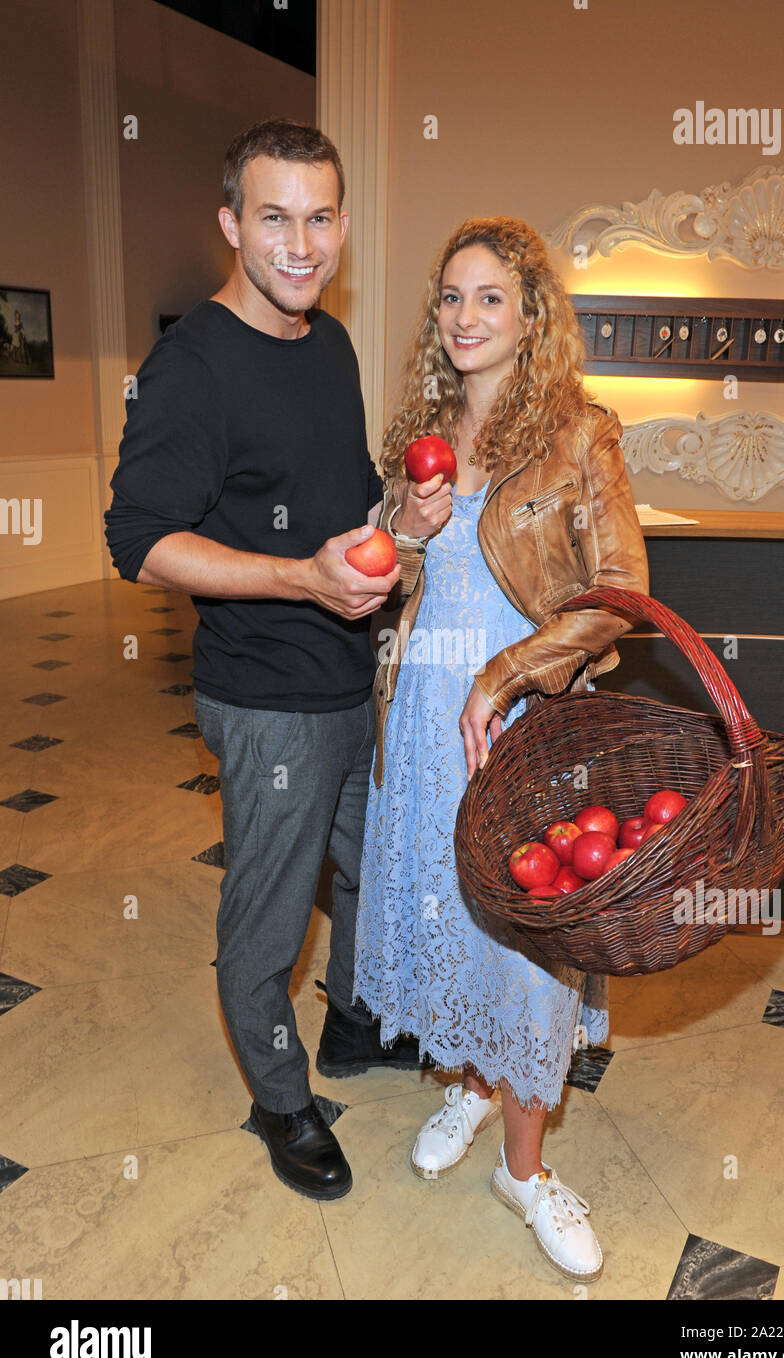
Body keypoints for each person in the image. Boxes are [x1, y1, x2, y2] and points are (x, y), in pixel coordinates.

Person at [103, 118, 423, 1205]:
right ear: (232, 223)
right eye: (275, 217)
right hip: (266, 698)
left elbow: (336, 508)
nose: (302, 243)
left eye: (321, 216)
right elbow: (138, 540)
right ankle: (280, 1098)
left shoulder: (325, 343)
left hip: (346, 676)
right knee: (269, 917)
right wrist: (299, 579)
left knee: (378, 876)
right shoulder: (190, 365)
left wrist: (398, 514)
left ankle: (350, 1027)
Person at [353, 216, 649, 1280]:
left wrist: (508, 672)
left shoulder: (578, 432)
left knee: (524, 943)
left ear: (531, 315)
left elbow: (621, 593)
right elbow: (381, 575)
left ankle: (524, 1170)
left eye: (489, 297)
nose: (465, 316)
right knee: (446, 914)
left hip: (520, 727)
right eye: (450, 297)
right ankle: (468, 1090)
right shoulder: (423, 428)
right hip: (422, 715)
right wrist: (409, 528)